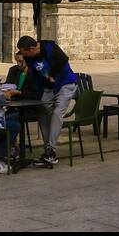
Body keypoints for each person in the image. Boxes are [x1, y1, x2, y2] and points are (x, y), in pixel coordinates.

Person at [15, 35, 77, 167]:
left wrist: (52, 75)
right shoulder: (29, 58)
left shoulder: (49, 47)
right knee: (42, 112)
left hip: (64, 84)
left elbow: (63, 60)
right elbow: (34, 76)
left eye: (25, 52)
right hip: (48, 88)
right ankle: (48, 149)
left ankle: (51, 150)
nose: (23, 56)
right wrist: (26, 93)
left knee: (57, 113)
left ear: (31, 49)